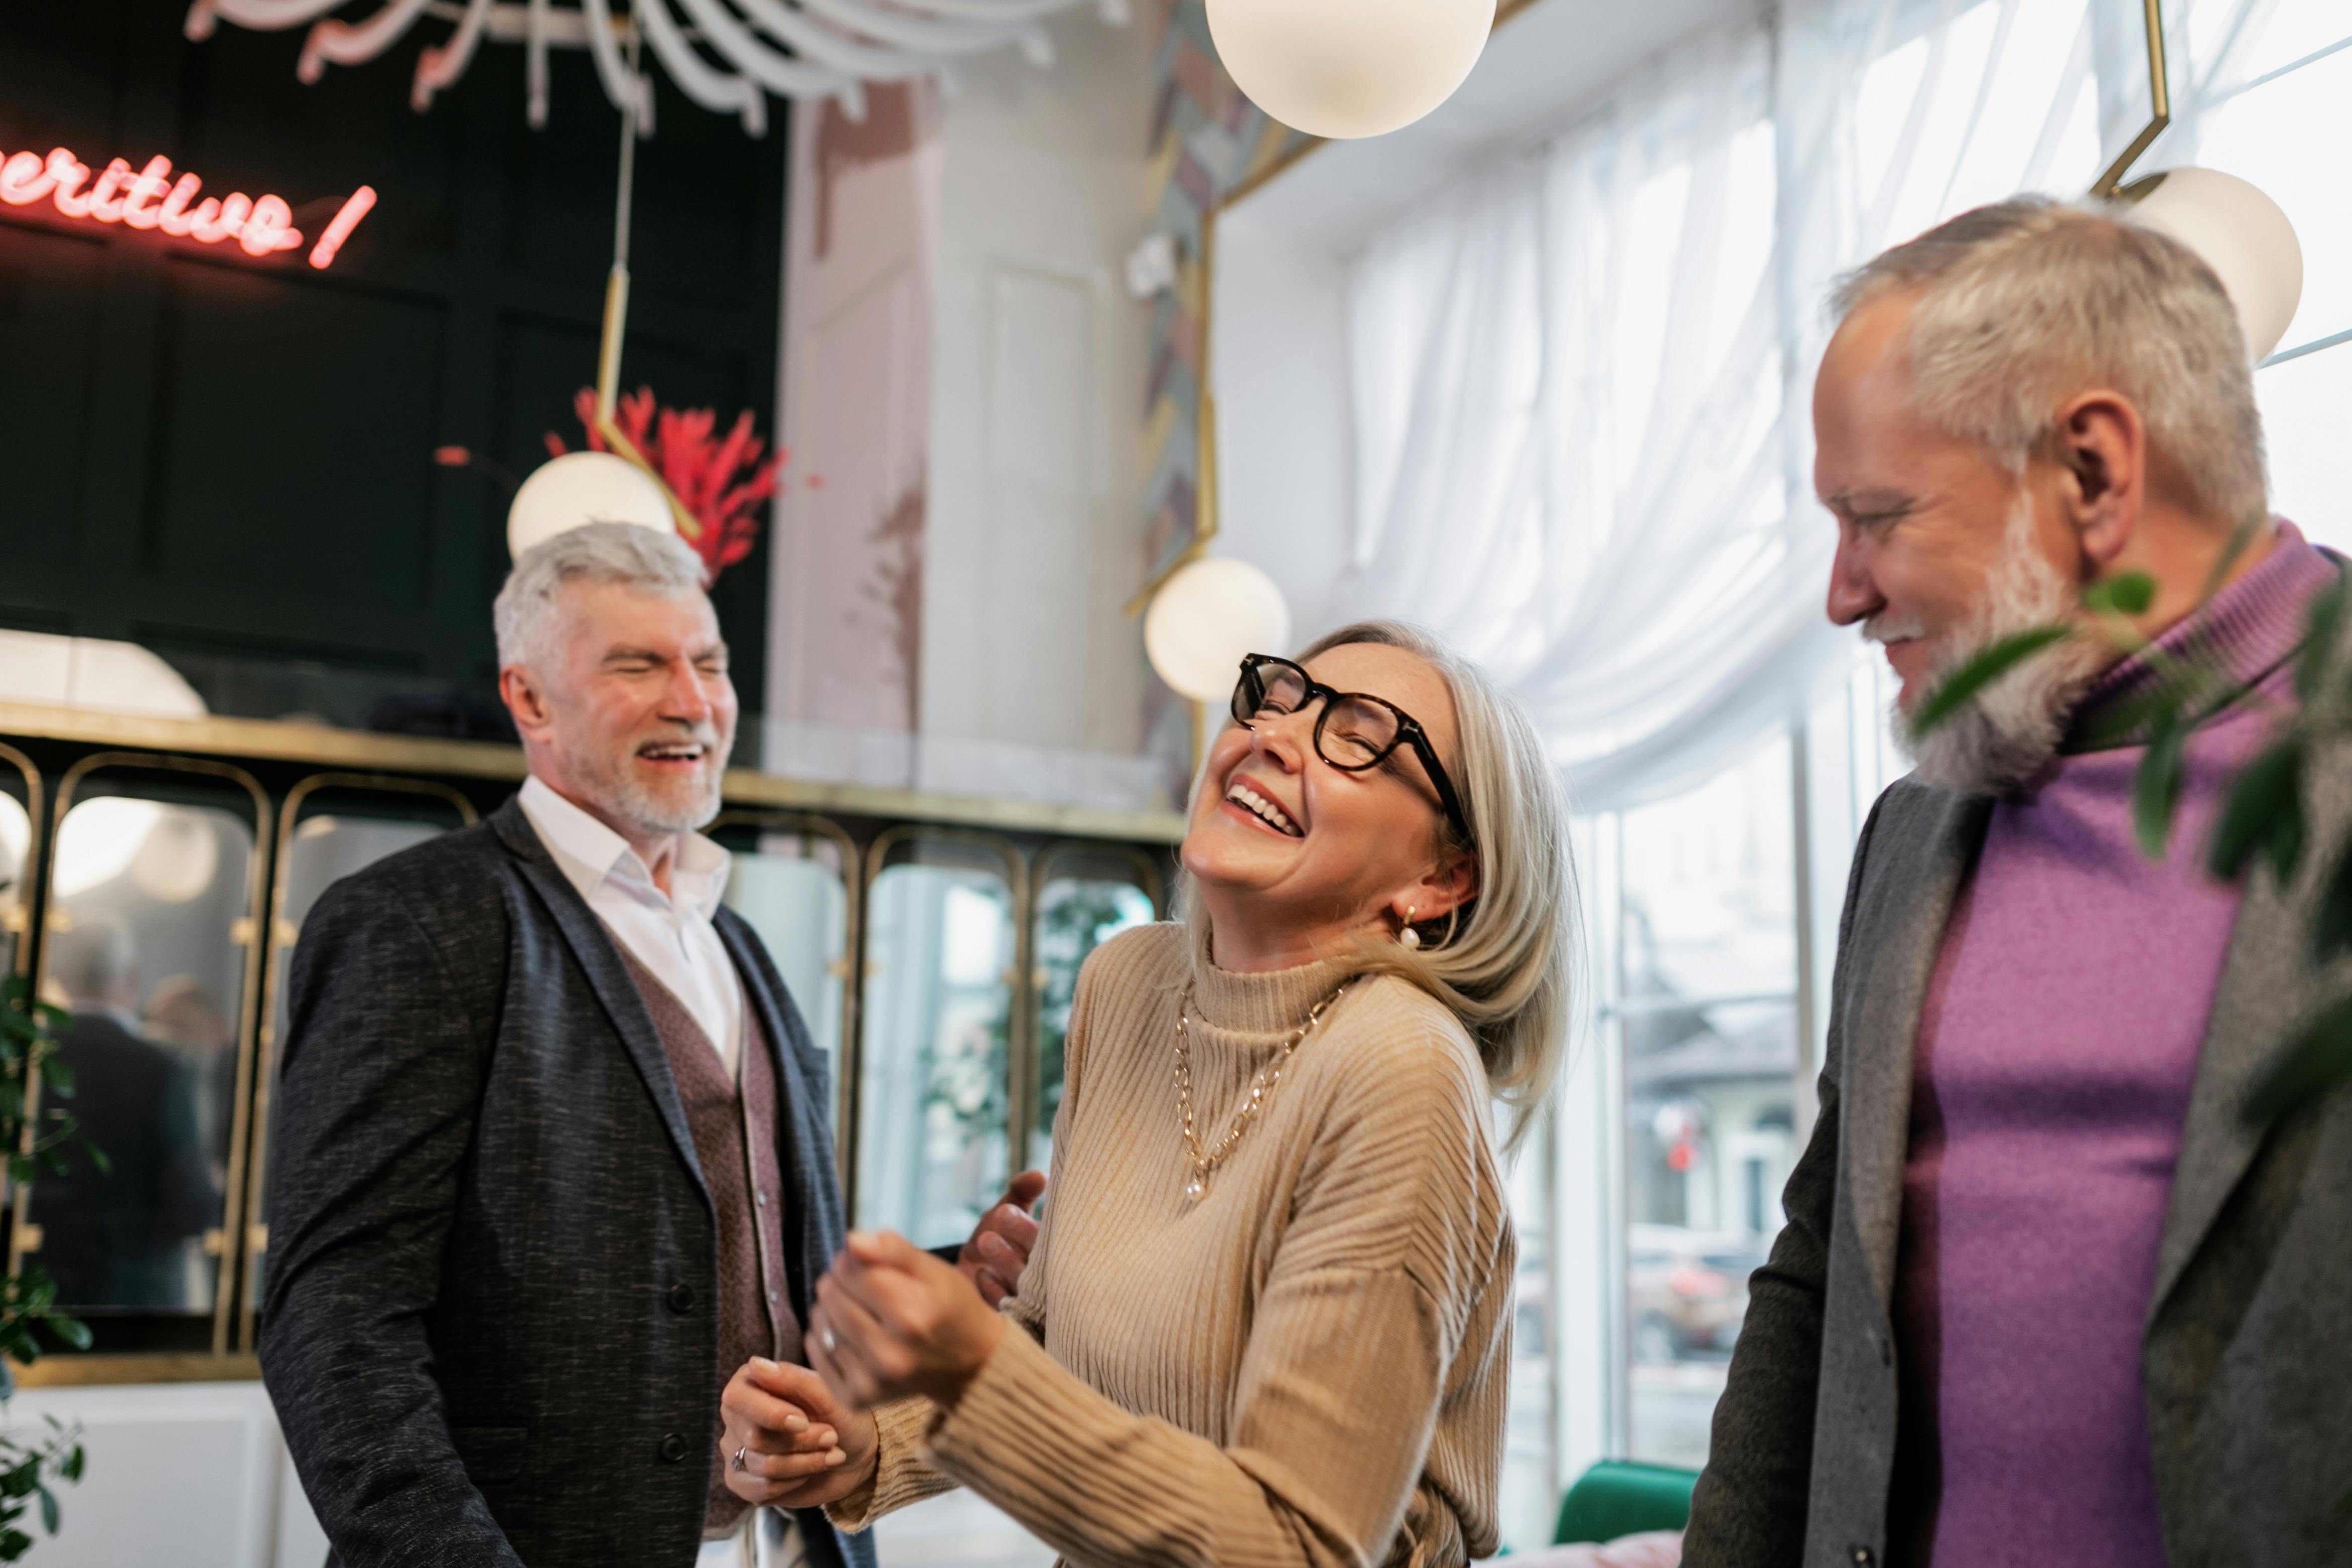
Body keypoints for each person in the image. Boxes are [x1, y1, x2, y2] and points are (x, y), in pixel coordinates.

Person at [1681, 199, 2352, 1567]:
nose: (1841, 593)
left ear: (2090, 469)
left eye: (1874, 515)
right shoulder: (1911, 831)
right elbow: (1815, 1275)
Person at [714, 621, 1578, 1567]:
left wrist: (973, 1370)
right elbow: (1051, 1342)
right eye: (1281, 697)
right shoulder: (1125, 982)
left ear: (1440, 880)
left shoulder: (1401, 1067)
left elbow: (1300, 1547)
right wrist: (869, 1437)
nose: (1275, 734)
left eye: (1361, 738)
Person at [259, 523, 1040, 1568]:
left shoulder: (739, 942)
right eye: (640, 664)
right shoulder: (416, 920)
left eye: (709, 663)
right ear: (530, 697)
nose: (694, 700)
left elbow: (757, 1271)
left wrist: (952, 1281)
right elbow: (335, 1317)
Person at [28, 917, 213, 1309]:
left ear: (60, 977)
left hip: (33, 1291)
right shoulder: (164, 1068)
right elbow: (189, 1205)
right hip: (137, 1297)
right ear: (131, 976)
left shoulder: (26, 1061)